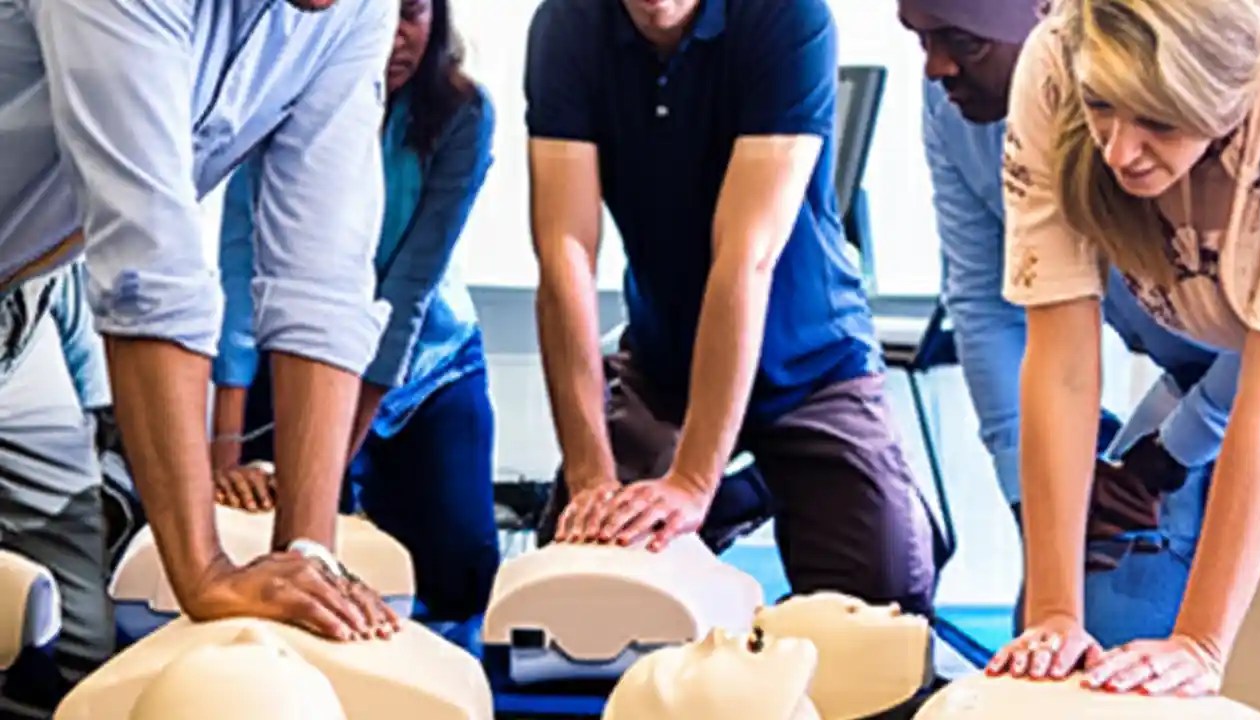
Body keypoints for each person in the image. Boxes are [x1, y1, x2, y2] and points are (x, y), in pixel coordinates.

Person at [0, 0, 404, 697]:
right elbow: (149, 261)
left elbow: (322, 274)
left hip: (22, 304)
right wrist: (205, 572)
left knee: (73, 645)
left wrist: (308, 561)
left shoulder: (356, 10)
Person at [523, 0, 938, 617]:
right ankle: (745, 482)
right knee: (584, 586)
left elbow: (746, 256)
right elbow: (564, 254)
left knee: (882, 608)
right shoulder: (567, 24)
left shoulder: (789, 17)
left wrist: (692, 484)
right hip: (667, 367)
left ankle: (762, 478)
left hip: (813, 367)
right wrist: (591, 482)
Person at [900, 0, 1243, 647]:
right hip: (1194, 374)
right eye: (920, 38)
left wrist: (1168, 456)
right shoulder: (988, 101)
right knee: (1059, 616)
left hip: (1256, 375)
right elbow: (995, 308)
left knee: (1121, 623)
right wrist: (1036, 495)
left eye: (964, 43)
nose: (937, 66)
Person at [983, 0, 1260, 698]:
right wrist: (1054, 616)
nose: (1117, 150)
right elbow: (1060, 363)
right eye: (1103, 106)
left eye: (1158, 118)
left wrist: (1200, 644)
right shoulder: (1059, 58)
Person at [210, 0, 501, 625]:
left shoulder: (463, 115)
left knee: (461, 564)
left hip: (426, 365)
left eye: (413, 13)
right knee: (265, 531)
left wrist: (329, 458)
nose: (392, 36)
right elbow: (239, 263)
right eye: (379, 11)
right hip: (299, 348)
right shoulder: (281, 92)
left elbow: (407, 294)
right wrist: (225, 448)